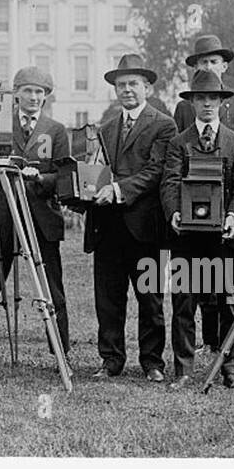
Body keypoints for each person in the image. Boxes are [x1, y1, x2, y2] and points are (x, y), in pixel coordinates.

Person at [0, 66, 72, 373]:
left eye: (40, 92)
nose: (34, 97)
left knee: (52, 289)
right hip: (2, 213)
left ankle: (62, 355)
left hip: (41, 217)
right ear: (16, 94)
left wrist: (41, 178)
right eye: (28, 91)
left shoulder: (55, 130)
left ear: (46, 97)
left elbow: (64, 176)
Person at [82, 54, 176, 382]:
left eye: (133, 84)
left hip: (145, 227)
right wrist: (84, 189)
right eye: (121, 85)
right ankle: (111, 360)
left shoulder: (164, 125)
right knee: (108, 299)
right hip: (107, 227)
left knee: (150, 298)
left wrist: (118, 190)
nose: (127, 90)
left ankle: (152, 362)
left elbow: (156, 171)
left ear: (147, 87)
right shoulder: (106, 128)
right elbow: (94, 170)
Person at [173, 33, 234, 358]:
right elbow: (179, 151)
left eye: (213, 61)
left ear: (224, 64)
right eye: (202, 62)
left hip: (233, 202)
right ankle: (212, 339)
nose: (208, 65)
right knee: (201, 270)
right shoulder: (185, 107)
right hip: (198, 204)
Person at [161, 69, 234, 389]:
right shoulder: (179, 142)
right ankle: (184, 369)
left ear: (221, 102)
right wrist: (174, 212)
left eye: (212, 98)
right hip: (188, 237)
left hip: (226, 236)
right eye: (201, 99)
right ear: (192, 103)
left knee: (230, 301)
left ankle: (230, 368)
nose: (207, 105)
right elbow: (170, 182)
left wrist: (232, 216)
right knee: (184, 302)